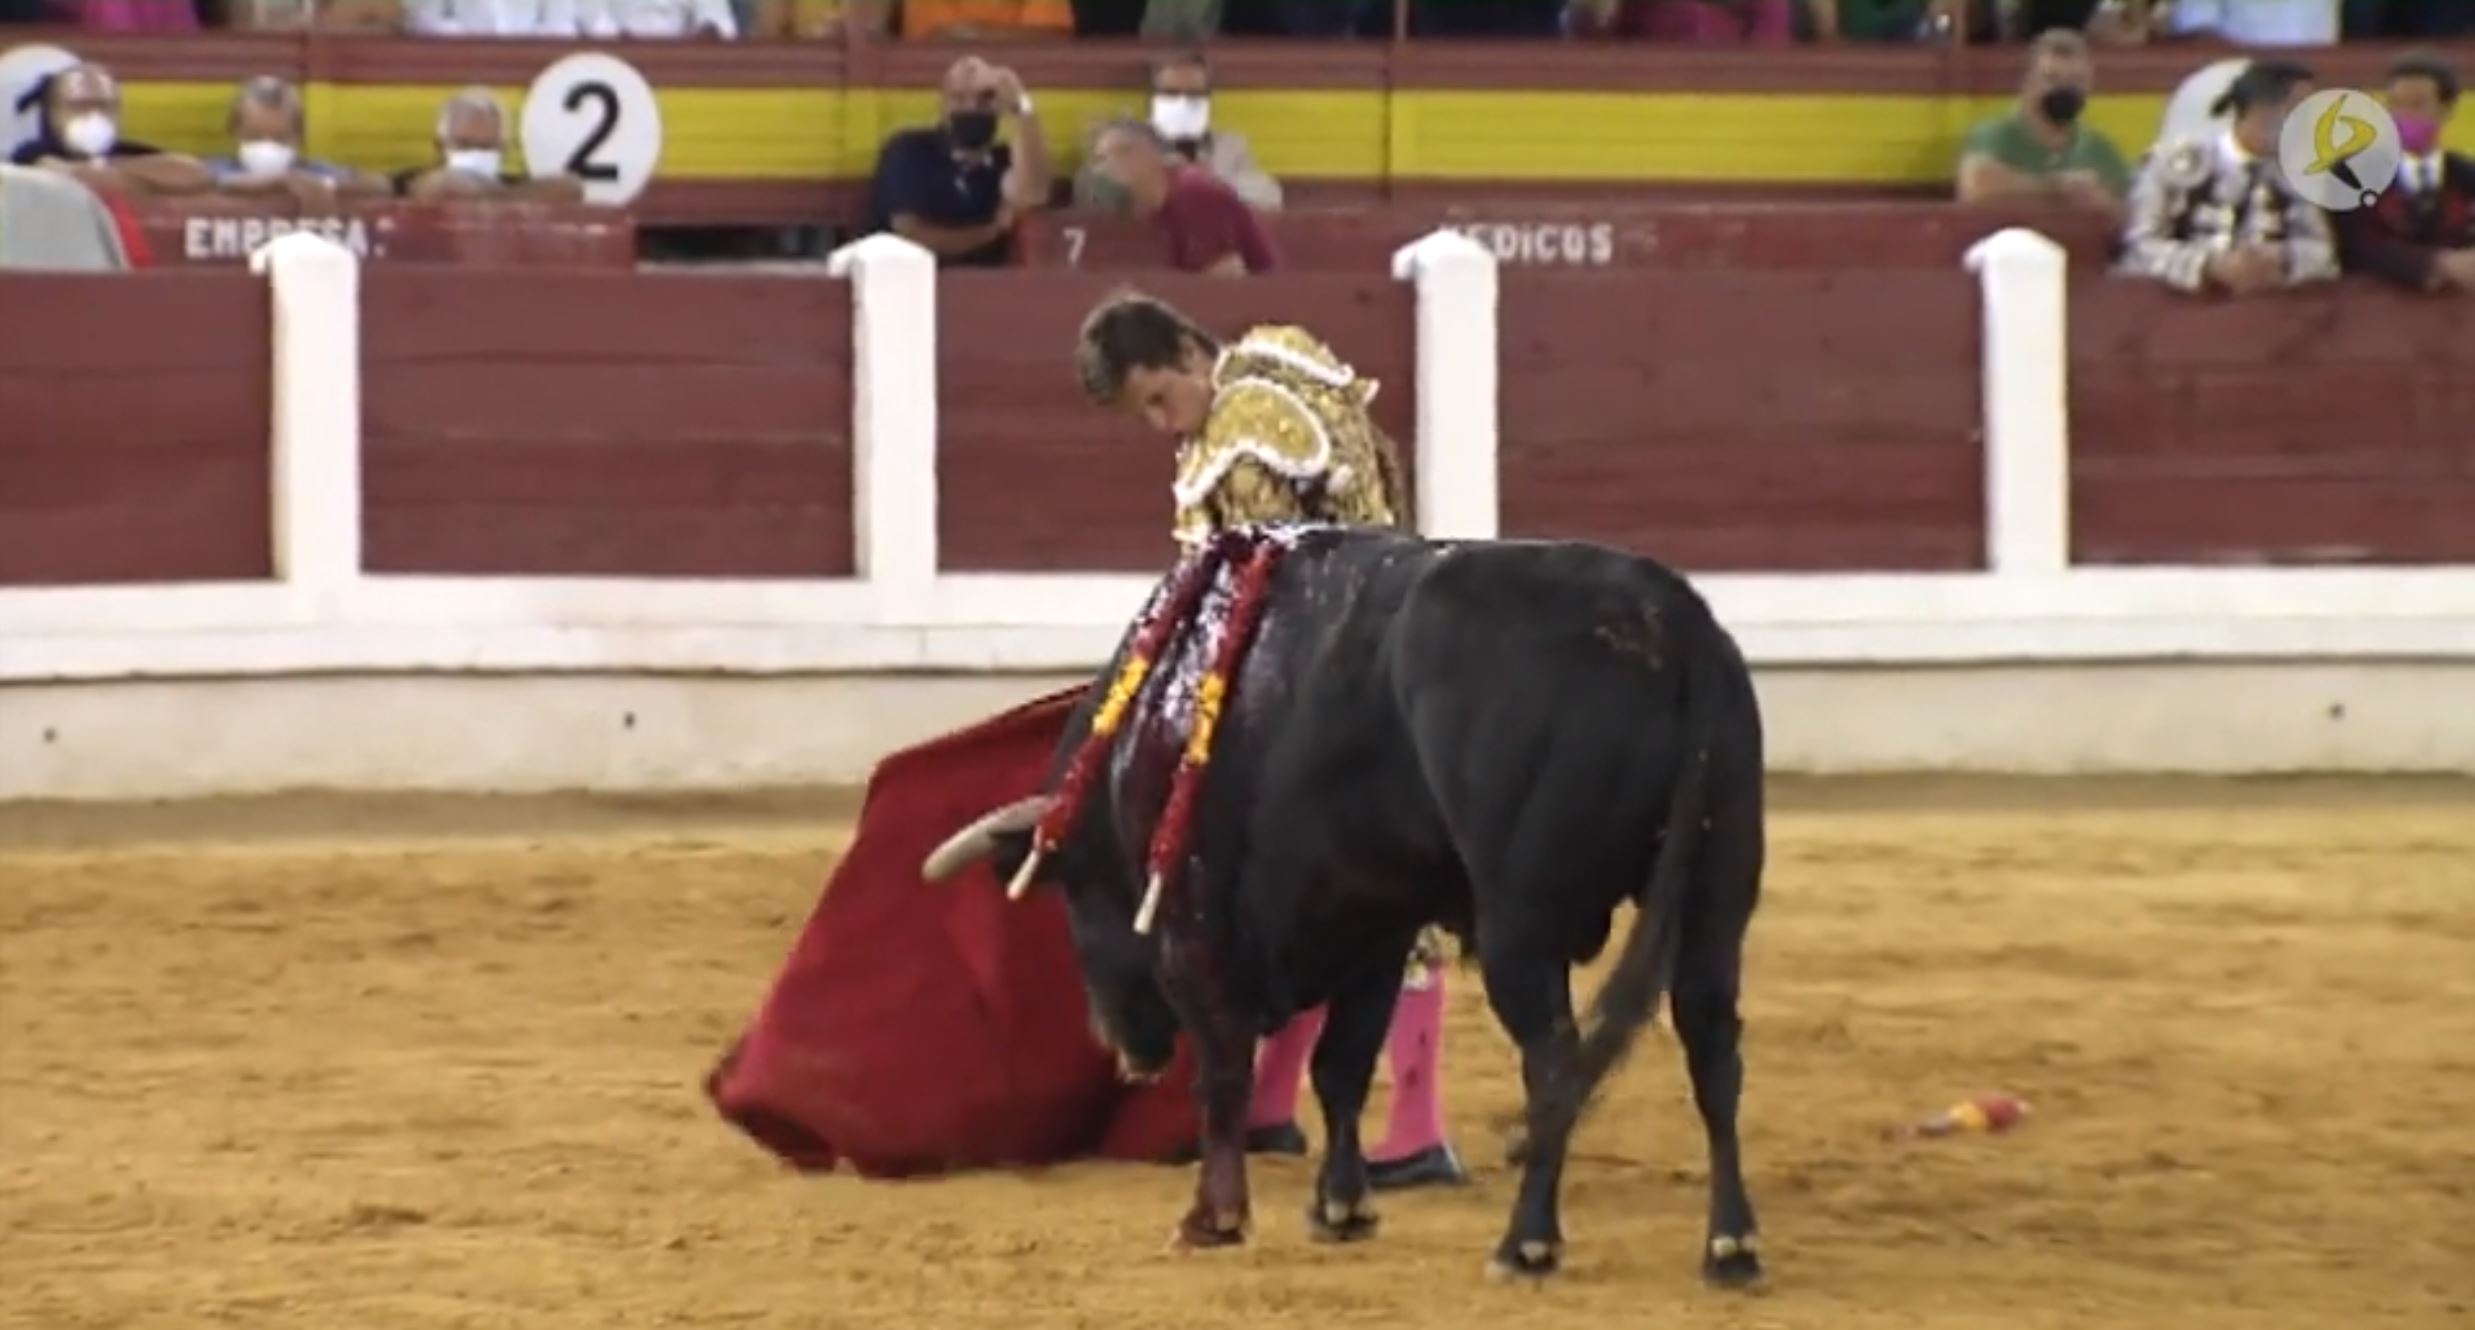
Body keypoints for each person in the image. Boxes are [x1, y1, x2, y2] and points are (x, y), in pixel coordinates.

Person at [1072, 291, 1467, 1190]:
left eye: (1159, 400)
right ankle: (1289, 1107)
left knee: (1348, 903)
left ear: (1185, 348)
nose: (1161, 425)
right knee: (1316, 904)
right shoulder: (1282, 357)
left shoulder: (1240, 437)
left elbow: (1246, 600)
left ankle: (1406, 1127)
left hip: (1325, 697)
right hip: (1385, 659)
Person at [2117, 59, 2337, 295]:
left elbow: (2323, 253)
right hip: (2176, 304)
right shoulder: (2172, 162)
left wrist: (2283, 257)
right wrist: (2208, 265)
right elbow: (2138, 248)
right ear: (2261, 110)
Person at [865, 56, 1050, 268]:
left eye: (984, 99)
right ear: (942, 106)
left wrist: (1021, 106)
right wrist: (990, 232)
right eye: (959, 98)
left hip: (985, 289)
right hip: (905, 283)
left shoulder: (1003, 160)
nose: (971, 108)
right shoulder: (910, 149)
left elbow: (1035, 192)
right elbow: (913, 235)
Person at [1955, 28, 2132, 220]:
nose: (2064, 89)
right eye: (2051, 79)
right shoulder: (1996, 135)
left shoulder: (2100, 148)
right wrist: (2057, 188)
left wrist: (2103, 203)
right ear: (2027, 83)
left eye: (2076, 81)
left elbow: (2130, 217)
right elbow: (1975, 189)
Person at [2337, 50, 2475, 294]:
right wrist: (2434, 264)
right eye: (2395, 104)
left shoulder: (2468, 177)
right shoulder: (2353, 173)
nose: (2404, 115)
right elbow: (2353, 246)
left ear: (2447, 110)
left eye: (2417, 104)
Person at [1088, 118, 1276, 276]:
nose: (1106, 167)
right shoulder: (1148, 206)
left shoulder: (1194, 192)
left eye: (1120, 153)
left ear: (1149, 153)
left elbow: (1227, 276)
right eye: (1100, 159)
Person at [8, 63, 213, 197]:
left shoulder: (131, 152)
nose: (93, 116)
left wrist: (97, 168)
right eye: (80, 106)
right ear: (51, 113)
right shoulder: (27, 157)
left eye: (104, 106)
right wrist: (145, 181)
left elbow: (195, 173)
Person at [209, 76, 392, 202]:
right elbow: (210, 182)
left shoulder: (312, 172)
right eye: (255, 137)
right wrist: (281, 182)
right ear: (234, 131)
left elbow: (379, 185)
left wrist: (323, 187)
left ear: (298, 136)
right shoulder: (217, 169)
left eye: (280, 139)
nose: (267, 147)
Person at [393, 88, 585, 204]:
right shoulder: (411, 182)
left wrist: (484, 196)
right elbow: (443, 187)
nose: (475, 153)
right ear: (440, 145)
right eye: (464, 145)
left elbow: (570, 186)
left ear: (504, 149)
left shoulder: (514, 186)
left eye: (486, 147)